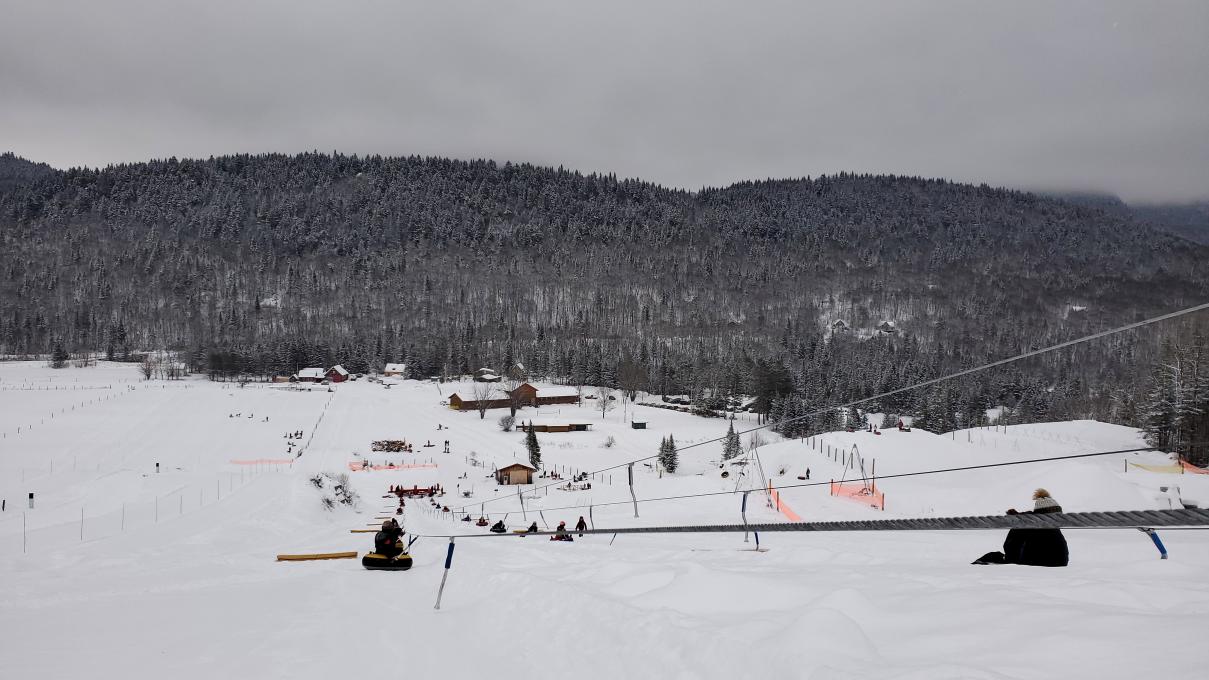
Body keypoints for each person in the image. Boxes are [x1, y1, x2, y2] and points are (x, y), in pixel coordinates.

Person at [973, 489, 1069, 567]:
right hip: (1055, 565)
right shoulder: (1052, 529)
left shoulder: (1026, 525)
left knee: (992, 556)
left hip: (1032, 565)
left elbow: (1010, 550)